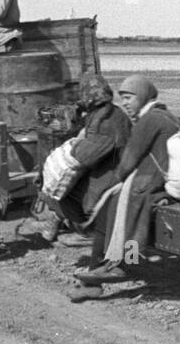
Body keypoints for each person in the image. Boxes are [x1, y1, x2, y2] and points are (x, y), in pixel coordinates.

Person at [73, 74, 180, 291]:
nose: (125, 103)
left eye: (129, 97)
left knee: (116, 204)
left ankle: (123, 264)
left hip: (151, 182)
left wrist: (115, 181)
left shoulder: (149, 120)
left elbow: (129, 160)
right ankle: (107, 268)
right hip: (166, 179)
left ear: (143, 96)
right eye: (123, 98)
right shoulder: (166, 115)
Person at [31, 74, 131, 252]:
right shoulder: (109, 112)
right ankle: (64, 222)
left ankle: (86, 231)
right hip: (111, 168)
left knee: (57, 190)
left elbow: (86, 156)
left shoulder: (105, 120)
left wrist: (69, 148)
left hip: (111, 176)